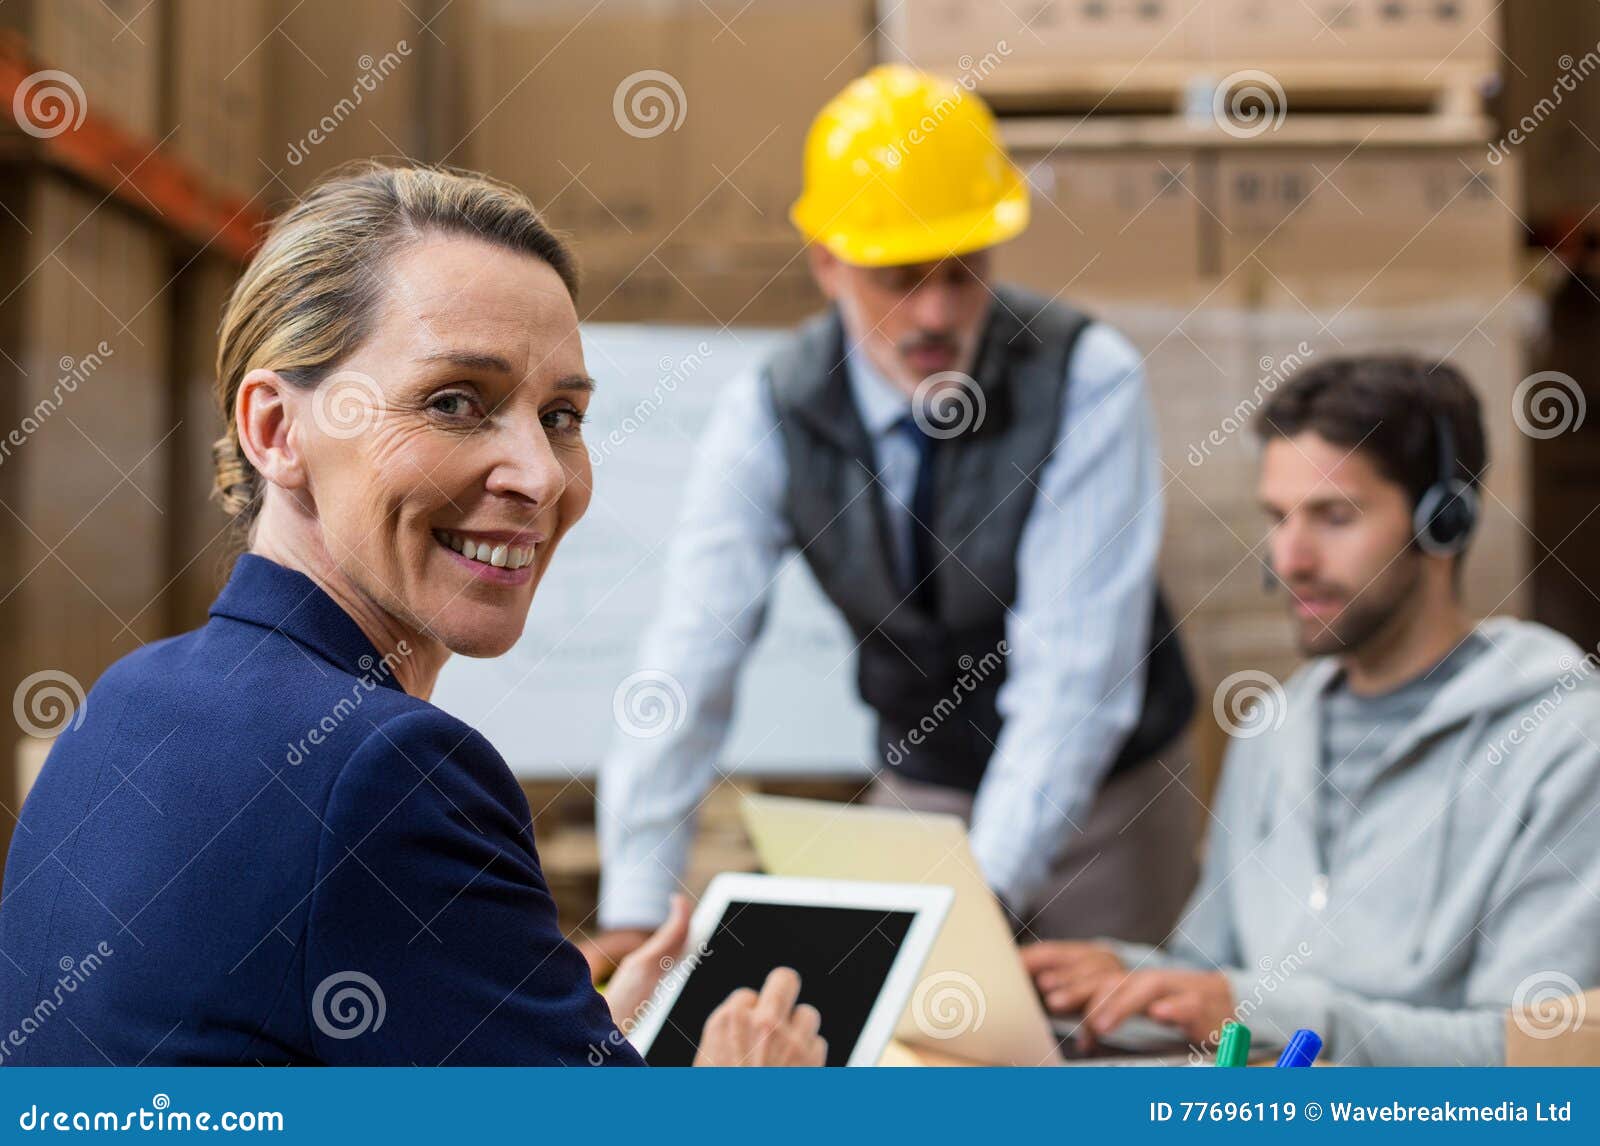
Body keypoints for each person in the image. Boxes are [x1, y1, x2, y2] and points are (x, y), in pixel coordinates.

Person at [0, 162, 824, 1067]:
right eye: (453, 402)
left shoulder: (129, 697)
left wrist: (574, 1039)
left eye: (561, 415)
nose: (540, 475)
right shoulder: (385, 771)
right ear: (276, 430)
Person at [590, 63, 1199, 975]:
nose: (937, 314)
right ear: (826, 262)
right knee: (896, 1028)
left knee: (1110, 1036)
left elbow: (1075, 683)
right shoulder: (771, 410)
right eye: (898, 278)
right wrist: (638, 902)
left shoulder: (1086, 377)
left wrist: (977, 907)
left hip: (1107, 801)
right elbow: (690, 654)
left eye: (963, 272)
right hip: (925, 783)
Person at [1022, 355, 1600, 1065]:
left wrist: (1260, 1010)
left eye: (1334, 516)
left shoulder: (1564, 743)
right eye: (1278, 517)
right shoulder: (1272, 728)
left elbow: (1537, 1060)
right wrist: (1120, 981)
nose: (1290, 559)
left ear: (1443, 522)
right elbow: (1212, 973)